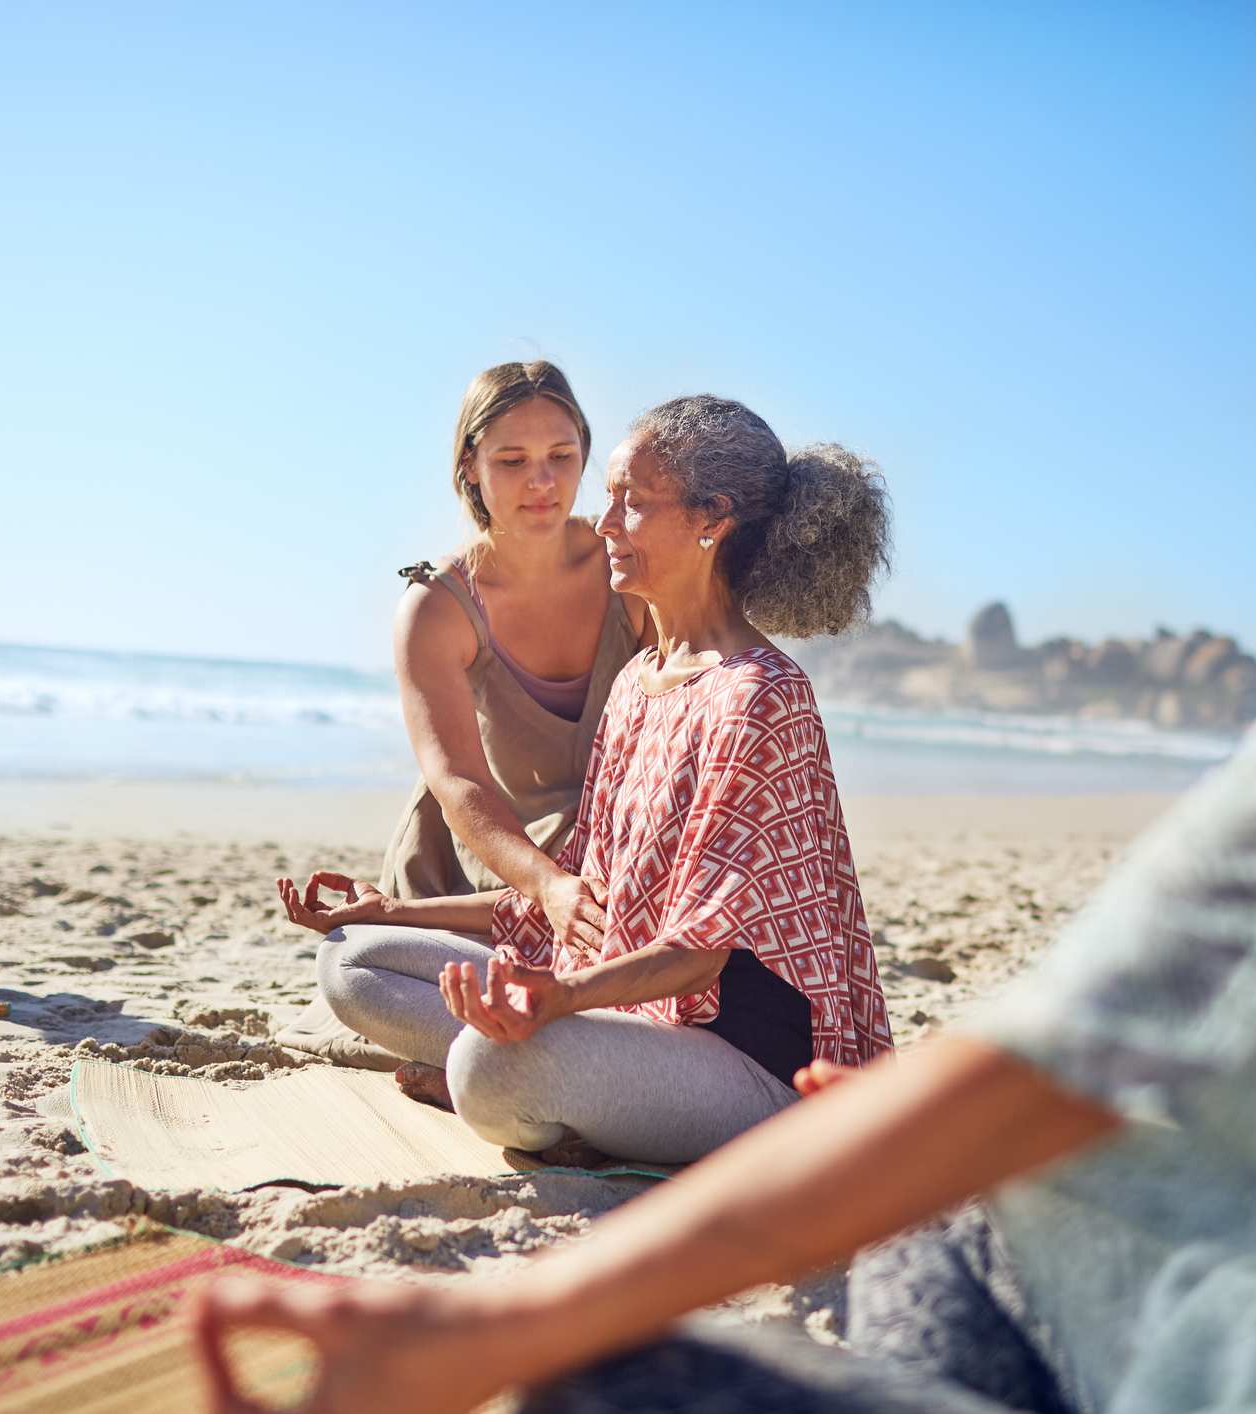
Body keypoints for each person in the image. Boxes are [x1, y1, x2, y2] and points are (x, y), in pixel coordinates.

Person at [195, 0, 1256, 1409]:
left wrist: (500, 1327)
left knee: (603, 1380)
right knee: (925, 1259)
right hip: (1161, 1287)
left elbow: (1059, 1051)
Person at [274, 395, 895, 1165]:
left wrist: (557, 1002)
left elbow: (700, 954)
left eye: (630, 503)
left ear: (713, 521)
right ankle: (578, 1096)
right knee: (354, 958)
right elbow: (583, 899)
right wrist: (396, 907)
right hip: (625, 1012)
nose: (602, 523)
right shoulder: (639, 680)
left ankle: (569, 1105)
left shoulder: (761, 694)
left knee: (486, 1065)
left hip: (749, 1068)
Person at [277, 362, 644, 1064]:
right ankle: (526, 1052)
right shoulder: (438, 607)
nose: (541, 480)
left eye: (561, 457)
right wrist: (548, 886)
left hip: (615, 852)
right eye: (511, 460)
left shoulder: (626, 567)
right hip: (487, 861)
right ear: (469, 467)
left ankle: (512, 1057)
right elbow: (456, 783)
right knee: (355, 967)